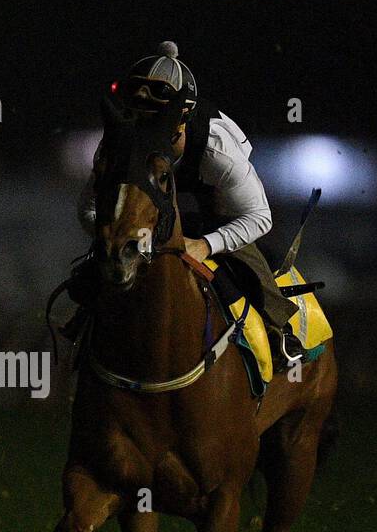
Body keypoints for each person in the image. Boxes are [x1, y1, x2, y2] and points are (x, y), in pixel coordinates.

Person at [77, 41, 304, 368]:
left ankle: (278, 329)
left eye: (157, 127)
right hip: (146, 219)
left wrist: (206, 245)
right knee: (88, 275)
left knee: (246, 261)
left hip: (215, 211)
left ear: (182, 120)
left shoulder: (218, 150)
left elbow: (259, 216)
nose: (145, 139)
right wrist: (113, 234)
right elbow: (88, 208)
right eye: (138, 123)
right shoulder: (118, 144)